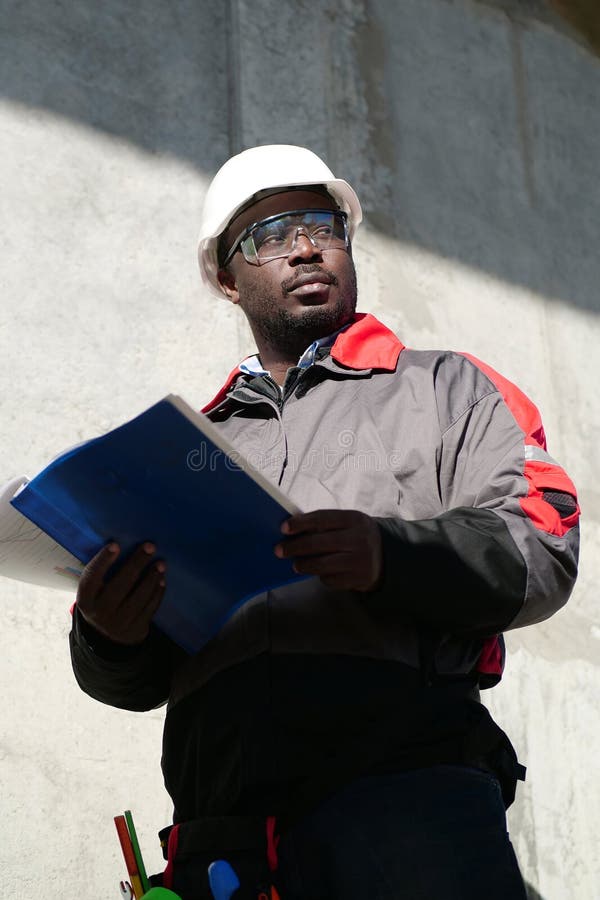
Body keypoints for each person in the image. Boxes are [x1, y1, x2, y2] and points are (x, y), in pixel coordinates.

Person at [70, 145, 580, 900]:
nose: (306, 246)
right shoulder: (190, 450)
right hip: (222, 845)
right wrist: (109, 636)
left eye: (322, 224)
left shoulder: (448, 388)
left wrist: (387, 554)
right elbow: (135, 680)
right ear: (225, 277)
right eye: (271, 234)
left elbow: (543, 539)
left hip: (410, 814)